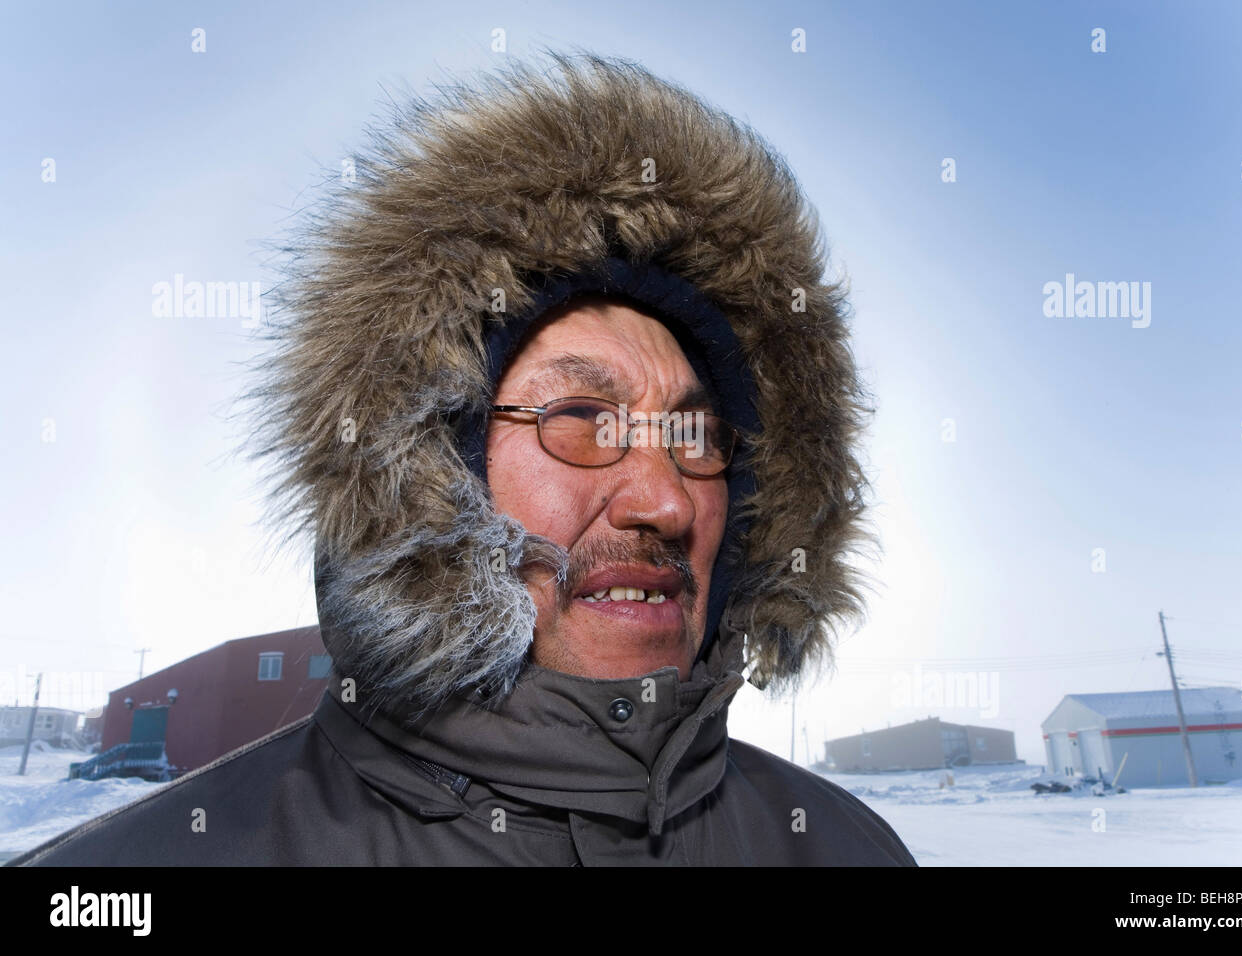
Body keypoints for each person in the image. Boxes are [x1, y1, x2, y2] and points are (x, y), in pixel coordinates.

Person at [9, 50, 915, 866]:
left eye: (694, 434)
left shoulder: (848, 850)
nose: (665, 502)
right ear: (428, 474)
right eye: (581, 416)